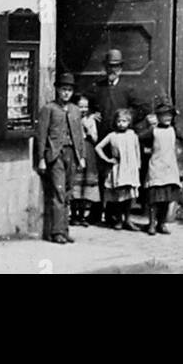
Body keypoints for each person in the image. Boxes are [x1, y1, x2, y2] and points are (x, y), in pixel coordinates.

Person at [36, 71, 86, 245]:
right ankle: (56, 232)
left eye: (69, 90)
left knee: (68, 193)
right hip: (55, 155)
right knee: (58, 192)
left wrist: (82, 157)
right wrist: (41, 158)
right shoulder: (48, 109)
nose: (66, 93)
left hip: (71, 154)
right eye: (63, 89)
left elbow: (79, 135)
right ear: (57, 90)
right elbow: (41, 135)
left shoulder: (75, 110)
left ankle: (65, 230)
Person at [94, 106, 141, 231]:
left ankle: (128, 219)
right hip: (119, 169)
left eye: (124, 121)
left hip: (131, 169)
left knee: (129, 196)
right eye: (119, 121)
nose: (121, 124)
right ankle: (118, 220)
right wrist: (107, 159)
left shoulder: (132, 135)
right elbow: (98, 147)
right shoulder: (112, 135)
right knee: (119, 197)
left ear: (129, 122)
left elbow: (137, 150)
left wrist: (138, 165)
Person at [140, 98, 181, 235]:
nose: (167, 118)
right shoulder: (153, 131)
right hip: (156, 167)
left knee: (166, 199)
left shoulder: (172, 130)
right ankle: (151, 223)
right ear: (158, 117)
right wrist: (146, 149)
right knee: (155, 199)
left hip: (170, 168)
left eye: (170, 115)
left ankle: (161, 223)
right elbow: (139, 138)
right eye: (164, 115)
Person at [70, 91, 102, 228]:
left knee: (85, 185)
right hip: (76, 151)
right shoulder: (71, 118)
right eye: (80, 106)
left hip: (88, 151)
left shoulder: (90, 120)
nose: (83, 109)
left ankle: (83, 215)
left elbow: (95, 139)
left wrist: (88, 128)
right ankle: (74, 214)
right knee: (75, 183)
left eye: (85, 107)